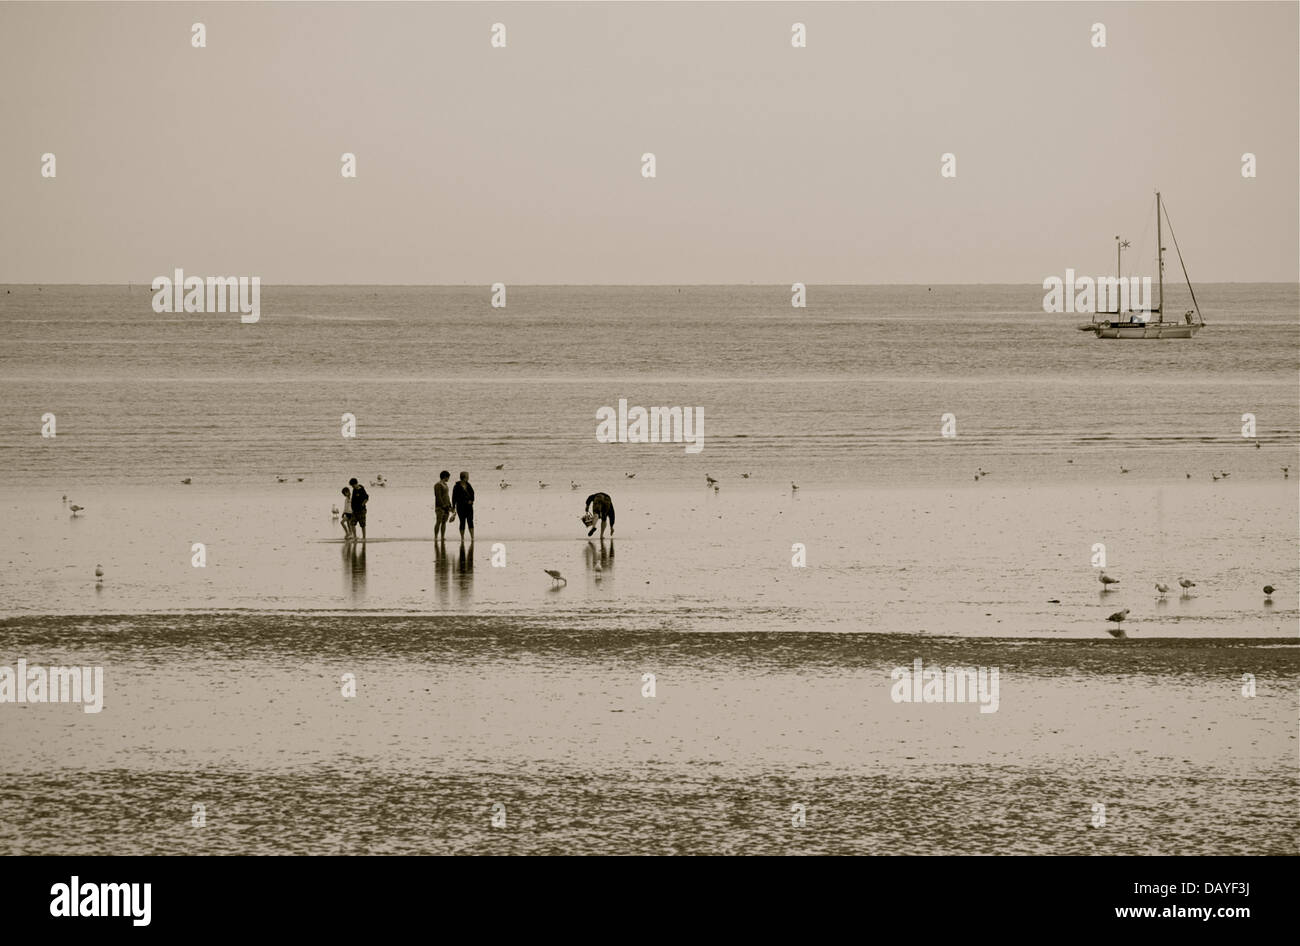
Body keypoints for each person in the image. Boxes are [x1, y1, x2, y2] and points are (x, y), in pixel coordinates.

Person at [451, 471, 475, 540]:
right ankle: (462, 538)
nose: (468, 477)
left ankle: (472, 537)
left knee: (470, 521)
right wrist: (453, 507)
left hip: (469, 506)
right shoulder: (456, 486)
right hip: (460, 506)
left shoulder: (468, 485)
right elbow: (454, 497)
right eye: (468, 476)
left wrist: (472, 500)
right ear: (464, 477)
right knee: (462, 522)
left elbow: (472, 494)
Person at [433, 470, 453, 541]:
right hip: (440, 507)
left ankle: (442, 537)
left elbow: (447, 496)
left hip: (447, 506)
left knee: (444, 522)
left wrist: (450, 505)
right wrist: (442, 505)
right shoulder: (438, 485)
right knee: (438, 521)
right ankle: (435, 537)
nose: (448, 479)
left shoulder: (445, 485)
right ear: (445, 477)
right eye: (448, 477)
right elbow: (438, 496)